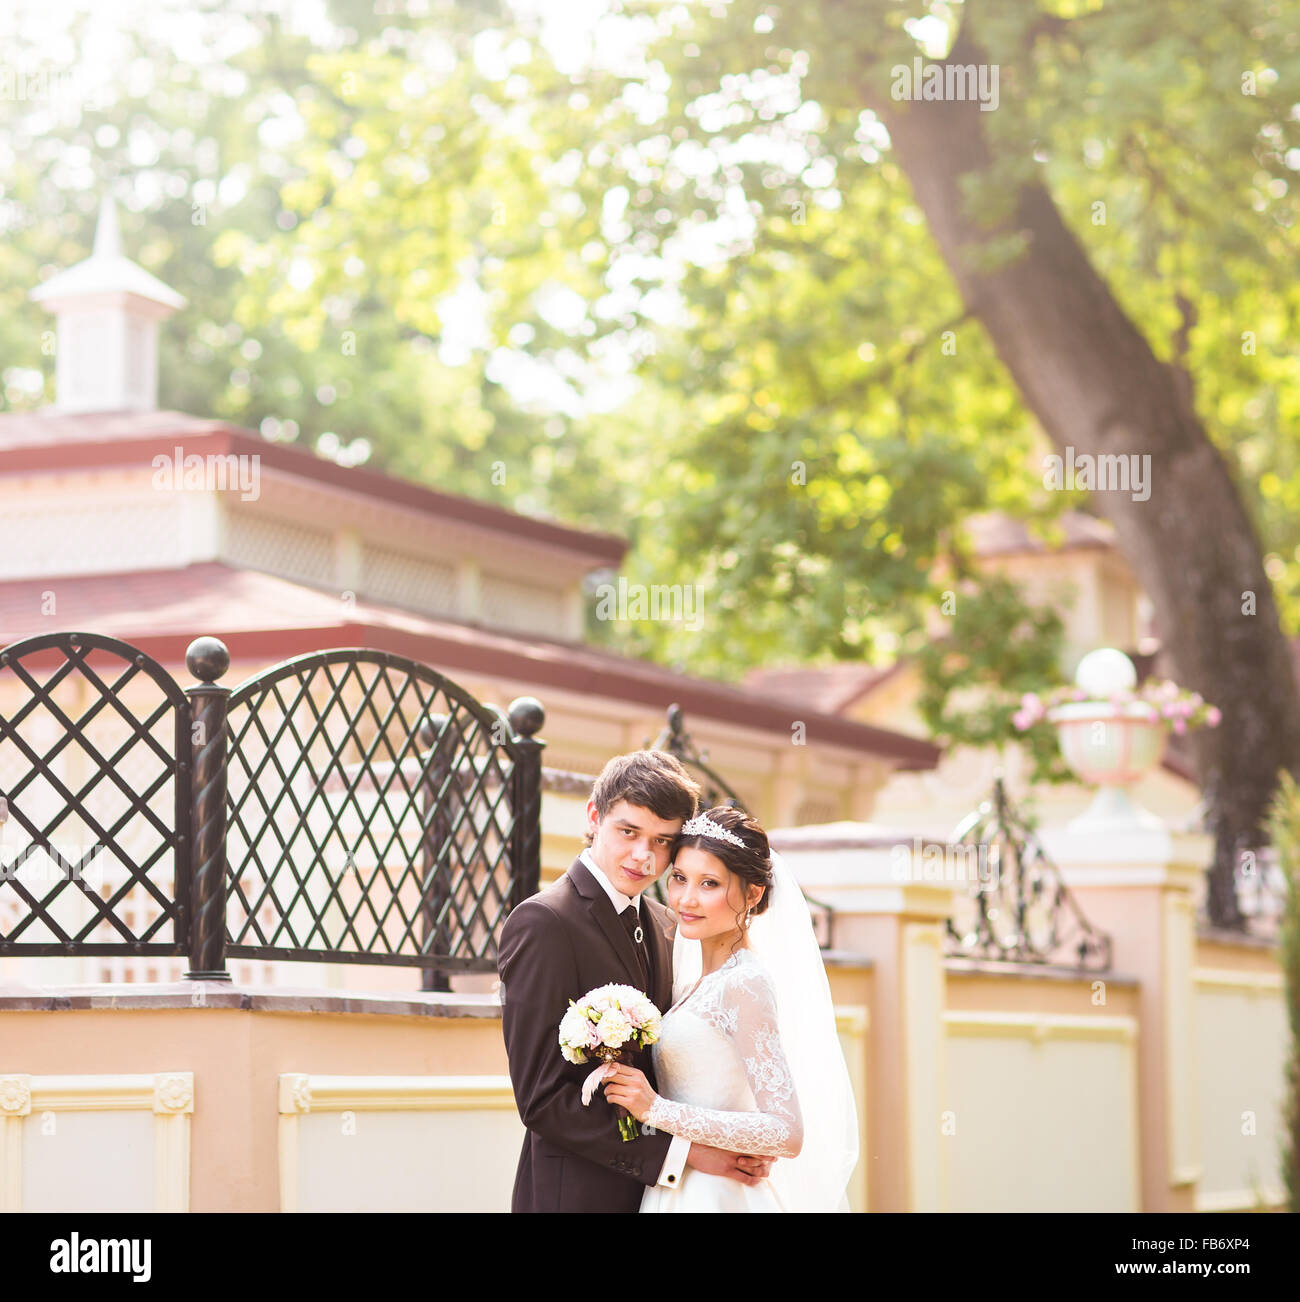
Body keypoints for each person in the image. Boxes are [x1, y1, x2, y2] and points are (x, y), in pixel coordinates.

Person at [496, 753, 776, 1213]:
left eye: (662, 841)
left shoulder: (671, 925)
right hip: (578, 1196)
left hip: (665, 1198)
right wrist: (683, 1155)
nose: (644, 856)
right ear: (594, 816)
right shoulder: (544, 922)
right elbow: (542, 1099)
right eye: (628, 832)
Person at [602, 804, 859, 1213]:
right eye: (680, 878)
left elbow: (786, 1132)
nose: (687, 899)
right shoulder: (692, 980)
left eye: (709, 884)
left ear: (752, 894)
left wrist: (656, 1109)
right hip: (677, 1186)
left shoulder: (744, 983)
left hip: (719, 1195)